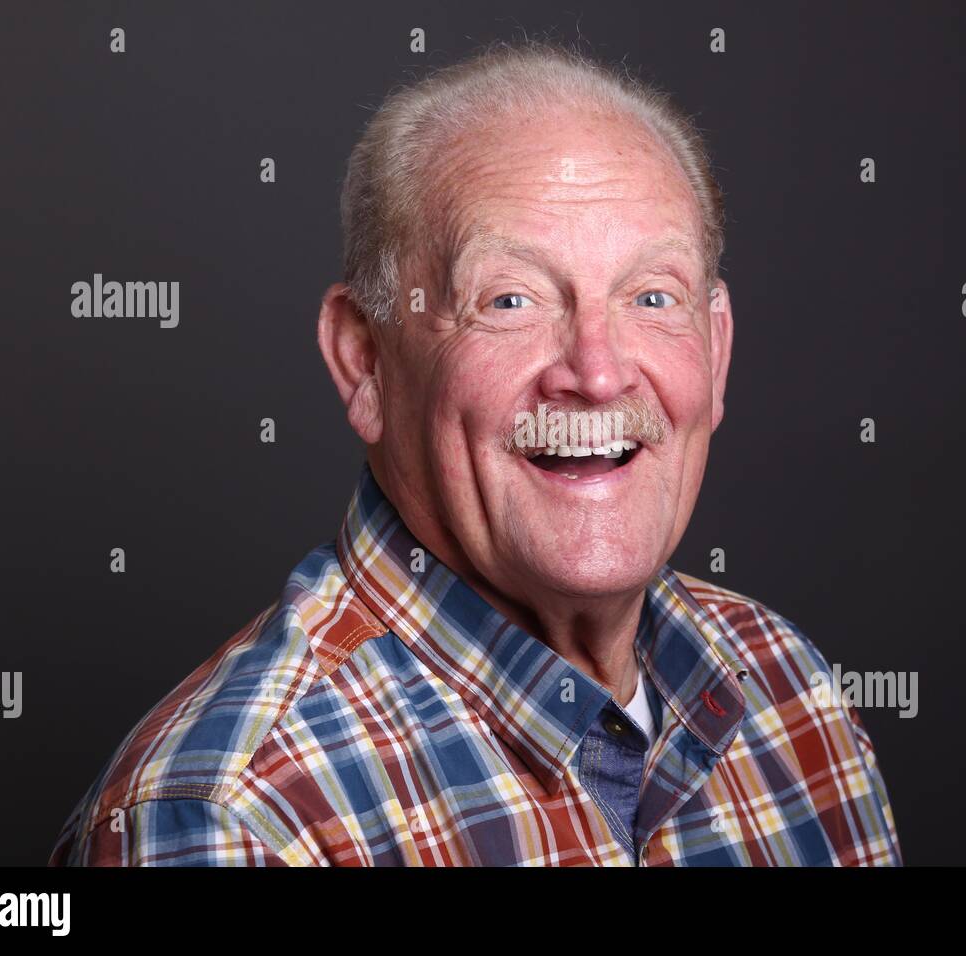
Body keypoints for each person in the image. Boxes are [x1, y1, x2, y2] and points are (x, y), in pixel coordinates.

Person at [49, 39, 901, 866]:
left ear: (715, 351)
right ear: (365, 361)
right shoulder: (239, 820)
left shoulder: (790, 689)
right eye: (510, 299)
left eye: (651, 296)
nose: (597, 374)